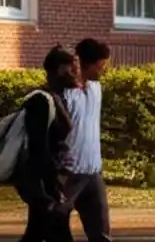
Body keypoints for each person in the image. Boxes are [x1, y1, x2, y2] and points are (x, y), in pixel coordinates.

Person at [16, 46, 78, 242]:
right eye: (72, 68)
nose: (76, 73)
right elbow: (38, 147)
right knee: (53, 232)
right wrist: (51, 186)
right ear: (60, 69)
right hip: (42, 184)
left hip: (50, 182)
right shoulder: (41, 101)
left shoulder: (58, 99)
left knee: (37, 233)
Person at [63, 38, 112, 242]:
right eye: (100, 66)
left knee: (101, 230)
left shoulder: (95, 90)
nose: (102, 71)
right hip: (69, 174)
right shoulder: (65, 95)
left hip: (93, 172)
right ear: (87, 65)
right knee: (54, 225)